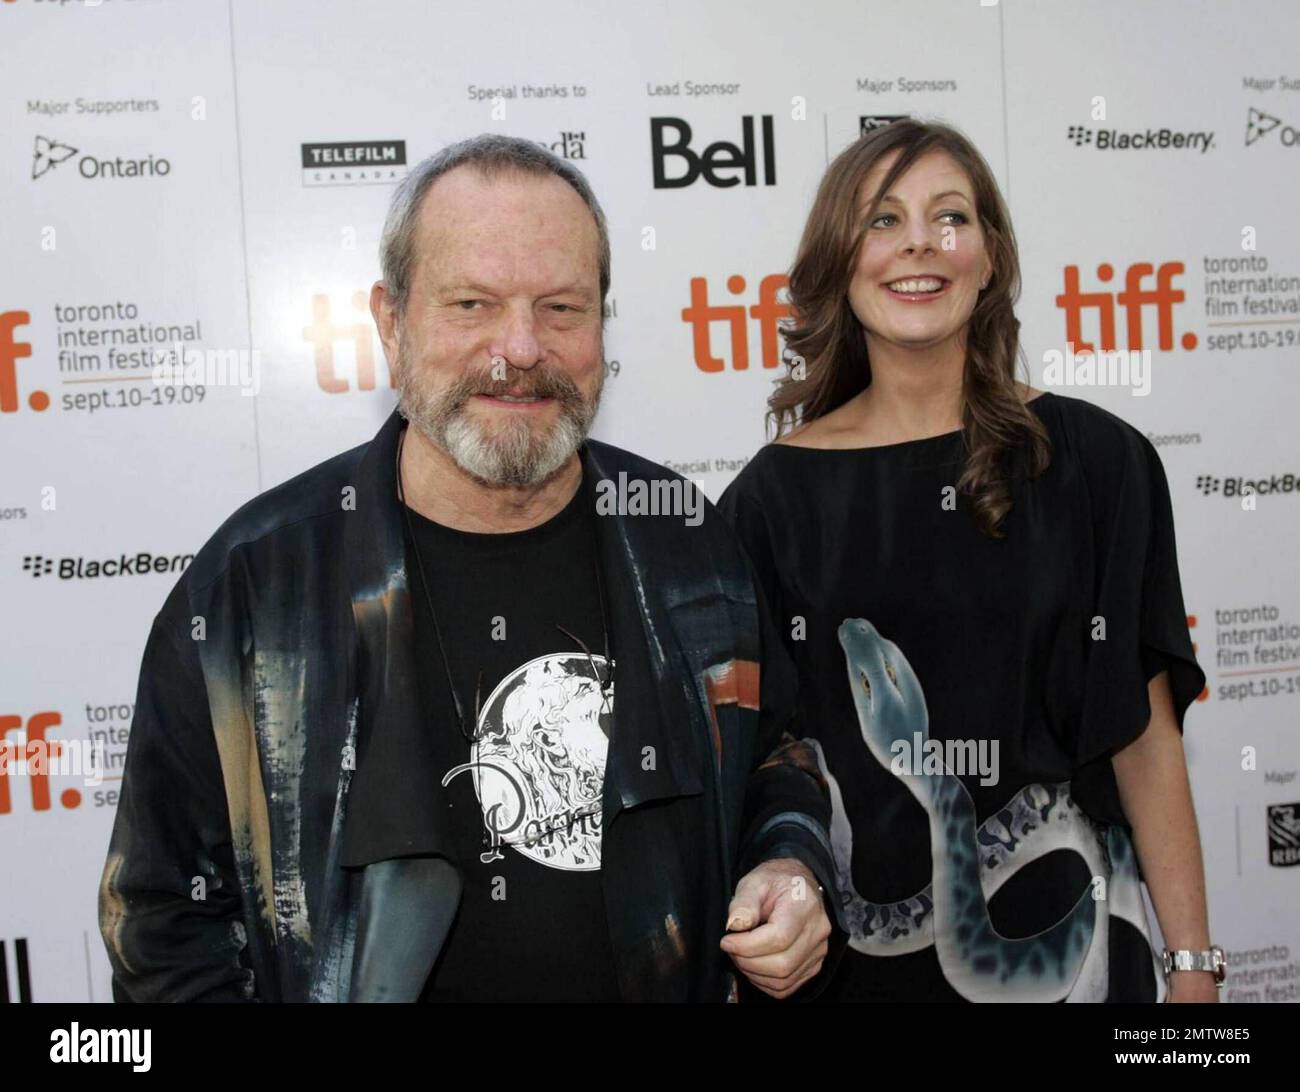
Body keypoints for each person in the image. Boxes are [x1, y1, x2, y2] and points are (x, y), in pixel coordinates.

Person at [98, 134, 837, 1003]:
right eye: (473, 304)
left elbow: (774, 755)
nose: (520, 348)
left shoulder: (684, 544)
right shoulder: (258, 589)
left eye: (561, 308)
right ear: (390, 320)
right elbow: (159, 919)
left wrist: (789, 861)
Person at [718, 119, 1219, 1003]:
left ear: (990, 258)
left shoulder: (1101, 463)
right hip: (855, 977)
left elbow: (1143, 737)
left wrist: (1192, 970)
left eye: (950, 216)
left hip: (1088, 961)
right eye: (882, 220)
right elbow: (765, 769)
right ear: (840, 262)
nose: (919, 242)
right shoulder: (769, 504)